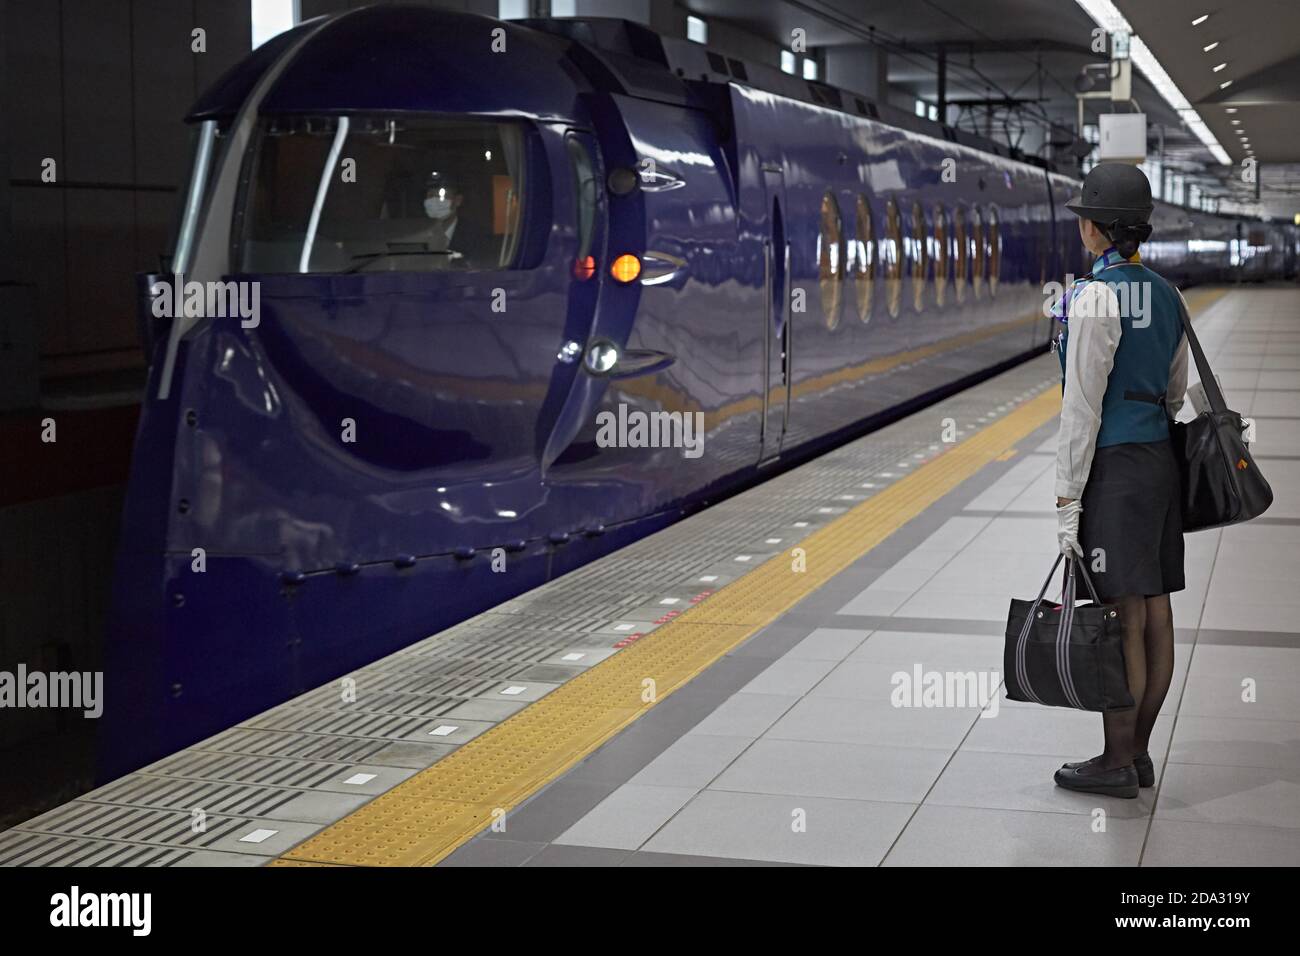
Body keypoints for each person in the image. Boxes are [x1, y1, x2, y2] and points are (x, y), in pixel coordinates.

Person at [1049, 163, 1190, 799]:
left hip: (1116, 468)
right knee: (1154, 609)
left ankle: (1115, 760)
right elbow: (1175, 390)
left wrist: (1067, 502)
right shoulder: (1167, 293)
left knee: (1120, 615)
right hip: (1158, 462)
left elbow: (1080, 408)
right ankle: (1138, 753)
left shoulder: (1094, 298)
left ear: (1096, 229)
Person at [419, 172, 498, 267]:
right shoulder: (416, 235)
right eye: (430, 195)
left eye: (441, 195)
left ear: (458, 200)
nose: (434, 201)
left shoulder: (478, 237)